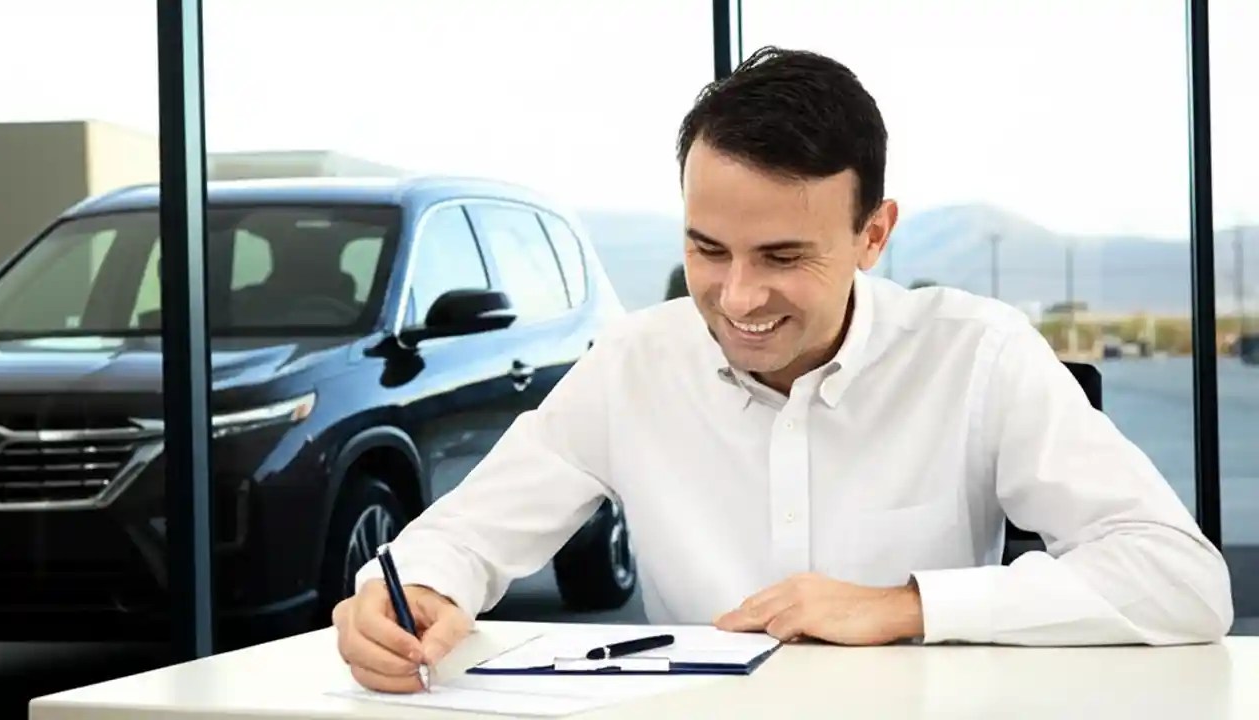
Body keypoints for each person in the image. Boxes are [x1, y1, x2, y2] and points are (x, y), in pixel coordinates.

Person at [333, 46, 1233, 693]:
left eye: (783, 256)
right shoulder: (635, 361)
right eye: (707, 248)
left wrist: (904, 606)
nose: (736, 295)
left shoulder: (980, 353)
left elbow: (1183, 583)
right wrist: (400, 596)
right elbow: (463, 538)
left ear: (872, 236)